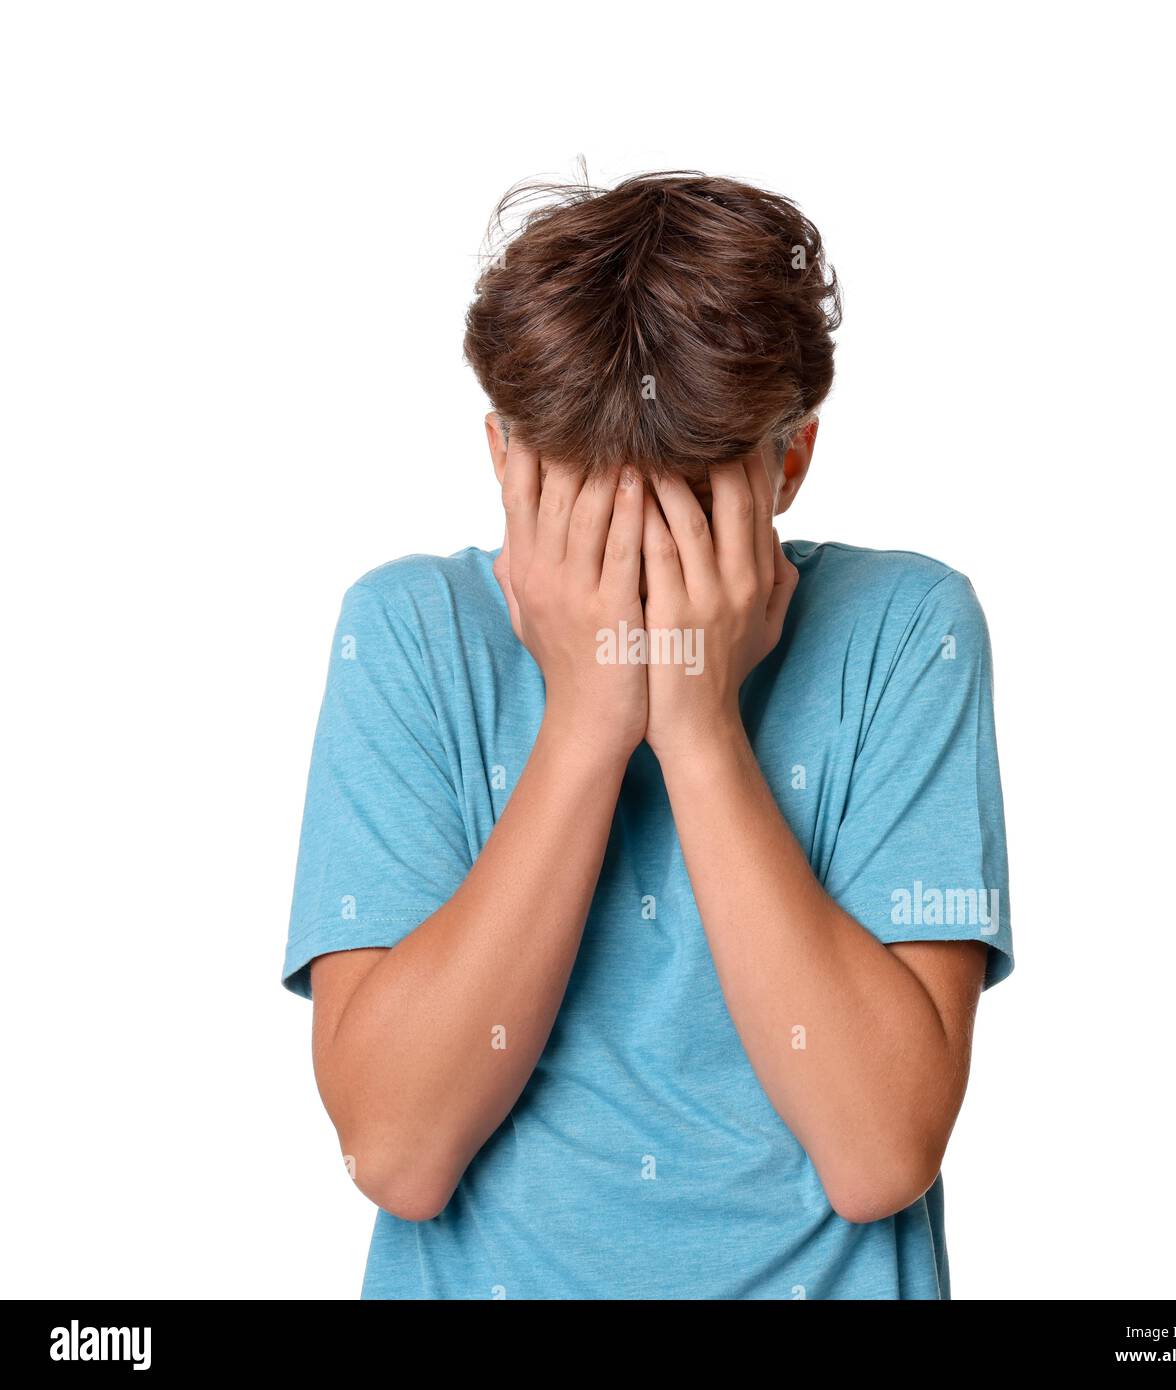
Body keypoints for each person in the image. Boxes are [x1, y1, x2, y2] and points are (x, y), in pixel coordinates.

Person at [282, 171, 1013, 1299]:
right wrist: (585, 722)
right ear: (505, 461)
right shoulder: (410, 633)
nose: (633, 554)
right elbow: (396, 1152)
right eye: (586, 499)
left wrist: (698, 721)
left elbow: (878, 1155)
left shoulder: (906, 629)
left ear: (789, 462)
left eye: (682, 503)